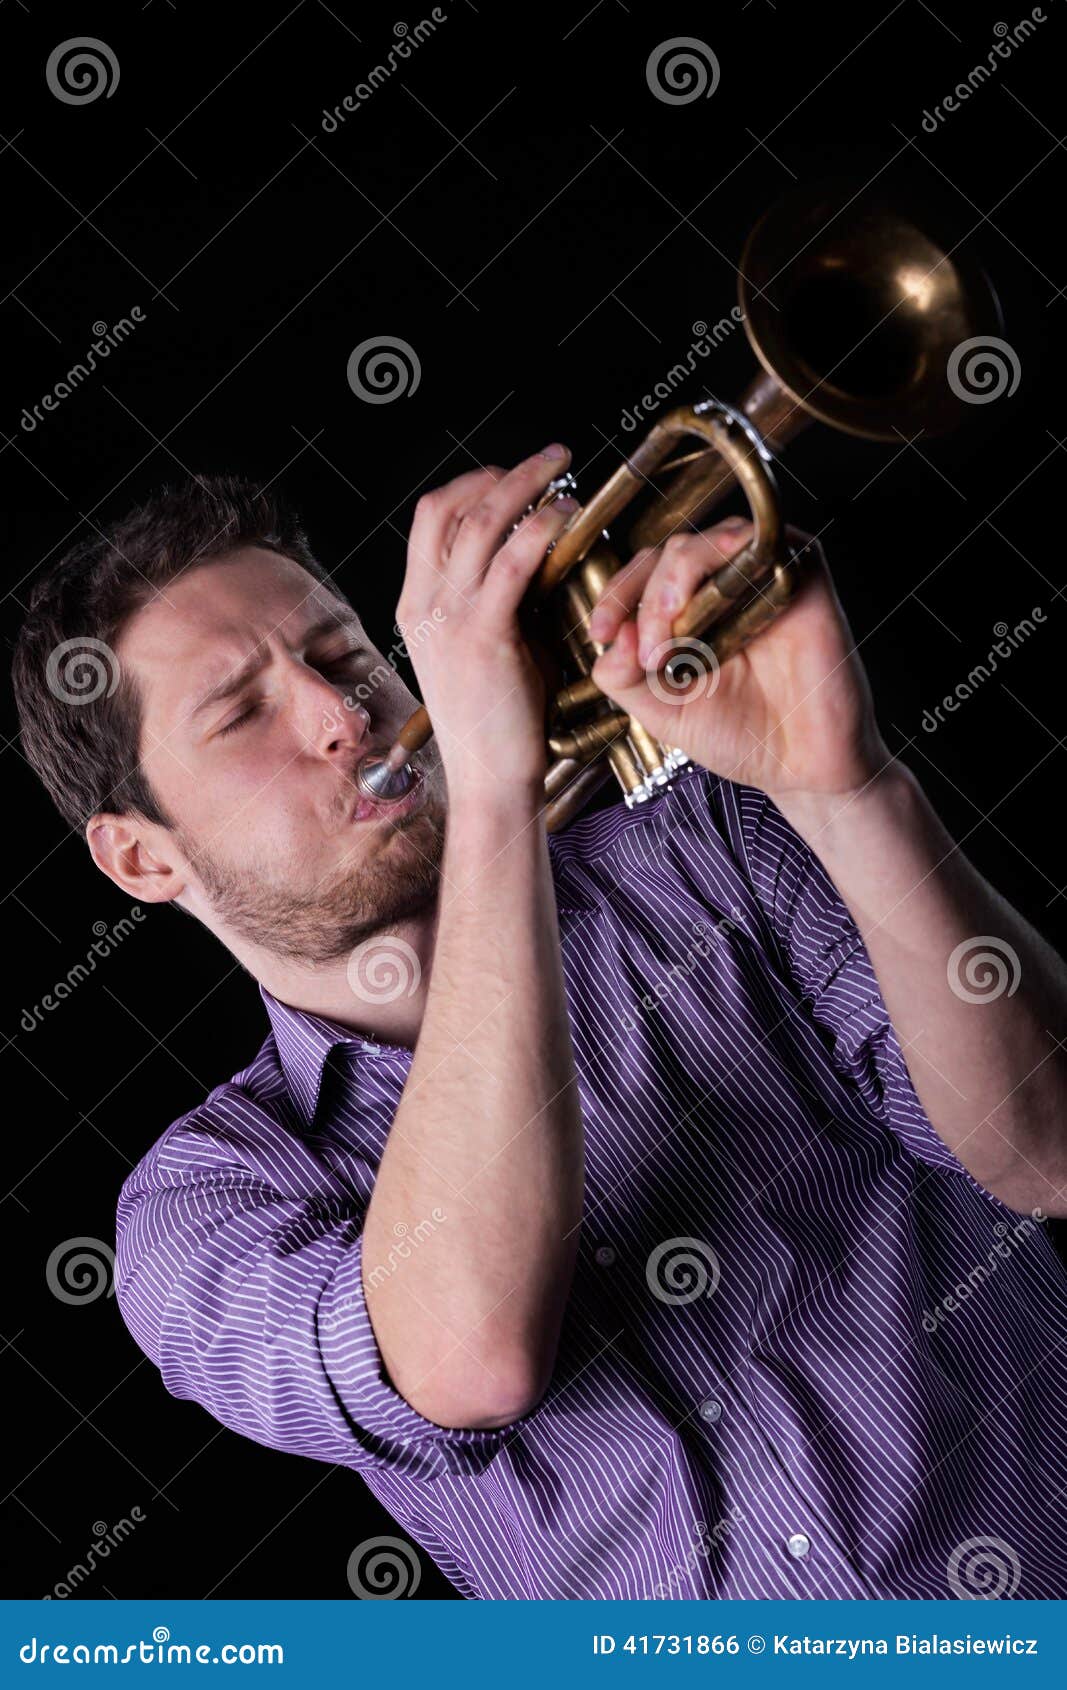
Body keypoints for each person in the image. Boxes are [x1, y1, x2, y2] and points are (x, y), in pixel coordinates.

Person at [12, 453, 1067, 1600]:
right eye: (241, 712)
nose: (341, 714)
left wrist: (849, 792)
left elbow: (1044, 1156)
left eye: (342, 656)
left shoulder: (712, 847)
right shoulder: (198, 1206)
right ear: (141, 856)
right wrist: (492, 790)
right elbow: (469, 1358)